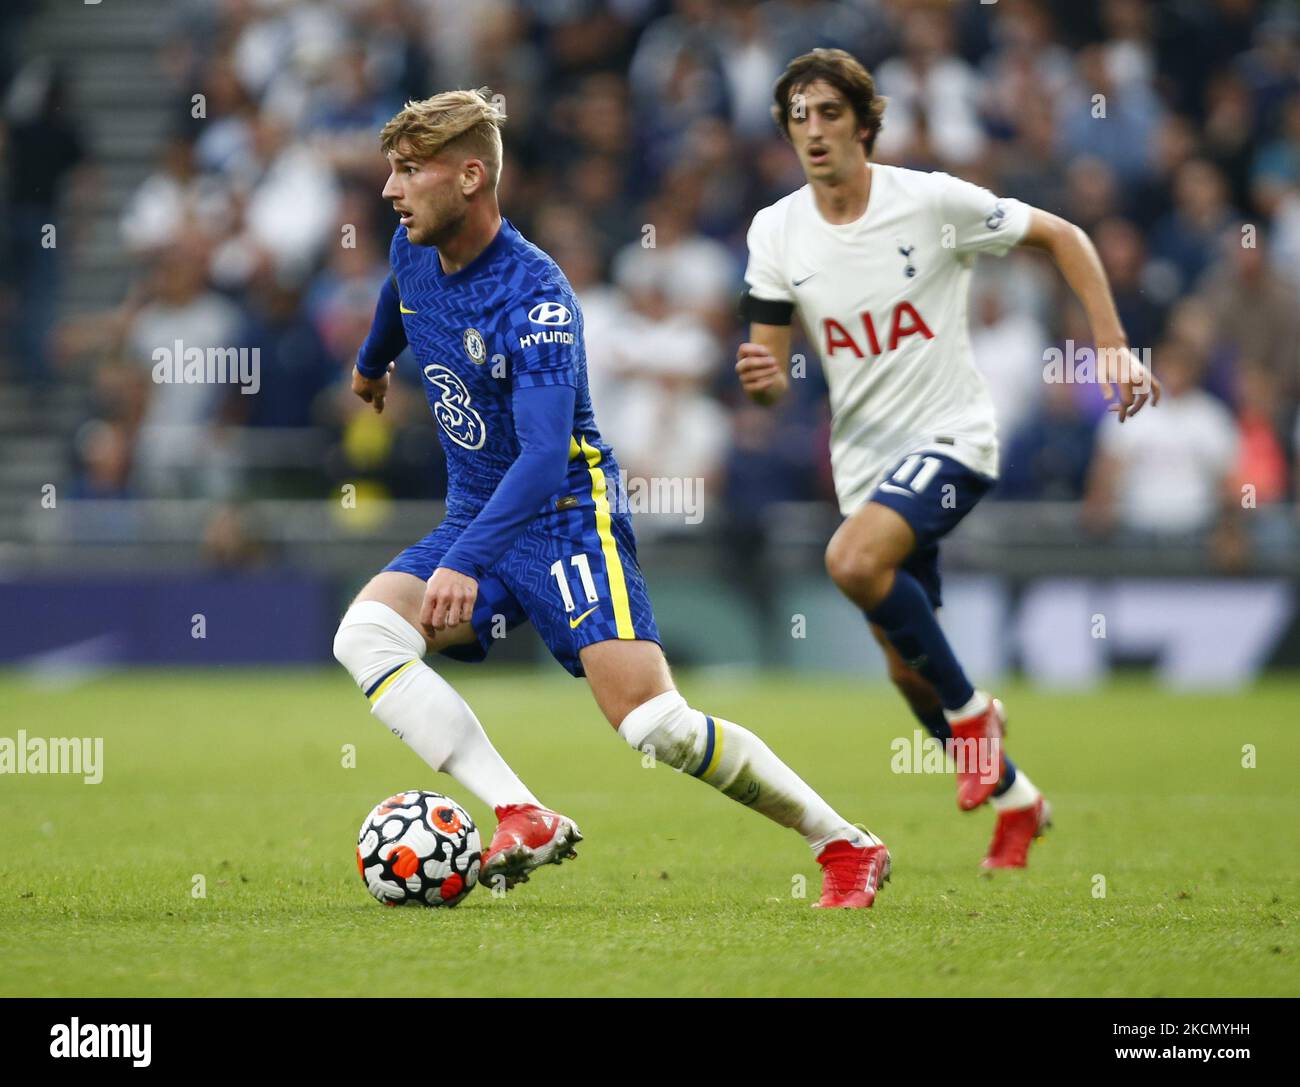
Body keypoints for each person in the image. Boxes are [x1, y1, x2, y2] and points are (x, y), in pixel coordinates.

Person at [332, 89, 890, 908]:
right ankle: (521, 811)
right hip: (479, 516)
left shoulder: (537, 296)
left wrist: (463, 561)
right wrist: (374, 361)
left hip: (562, 520)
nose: (390, 189)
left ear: (471, 176)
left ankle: (845, 843)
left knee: (655, 726)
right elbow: (398, 295)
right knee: (368, 635)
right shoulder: (414, 245)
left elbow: (543, 456)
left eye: (410, 171)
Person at [736, 49, 1161, 868]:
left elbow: (1064, 235)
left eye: (829, 113)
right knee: (904, 672)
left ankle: (973, 718)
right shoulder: (775, 229)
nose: (814, 130)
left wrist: (1112, 347)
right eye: (798, 117)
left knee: (851, 562)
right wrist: (759, 380)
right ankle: (1016, 796)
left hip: (952, 436)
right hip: (863, 464)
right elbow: (766, 377)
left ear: (864, 123)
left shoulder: (930, 201)